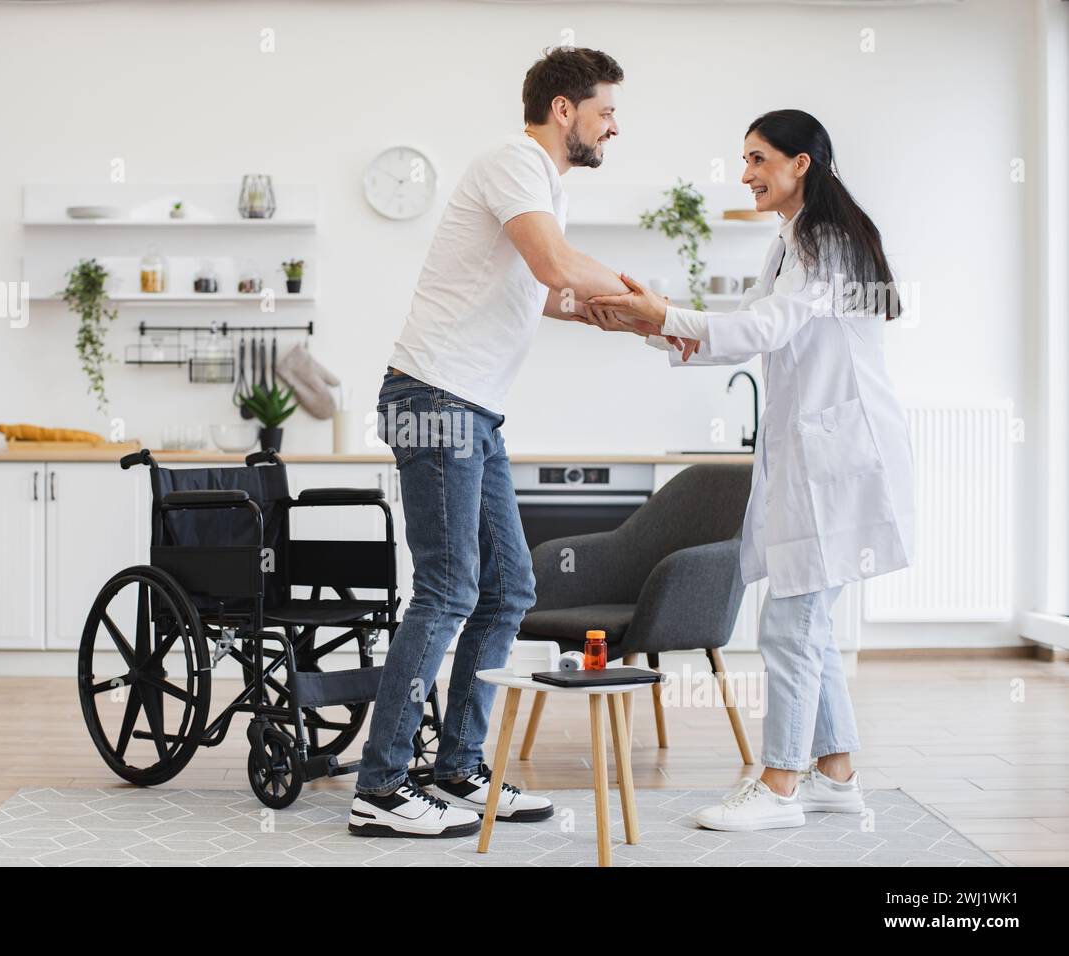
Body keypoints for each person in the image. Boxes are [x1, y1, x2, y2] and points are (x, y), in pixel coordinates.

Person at [587, 109, 914, 831]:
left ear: (803, 163)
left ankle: (779, 786)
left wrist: (666, 309)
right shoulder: (795, 242)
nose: (745, 174)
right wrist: (651, 324)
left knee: (791, 622)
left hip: (840, 459)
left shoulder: (826, 243)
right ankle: (835, 774)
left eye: (759, 159)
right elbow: (743, 337)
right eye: (744, 160)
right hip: (818, 460)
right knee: (809, 621)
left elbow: (764, 329)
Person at [349, 46, 637, 838]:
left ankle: (458, 767)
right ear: (564, 109)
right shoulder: (514, 160)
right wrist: (647, 296)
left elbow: (541, 291)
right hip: (436, 397)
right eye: (607, 110)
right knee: (448, 589)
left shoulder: (544, 188)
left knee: (509, 587)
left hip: (472, 407)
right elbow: (553, 265)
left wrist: (606, 313)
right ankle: (380, 785)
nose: (616, 126)